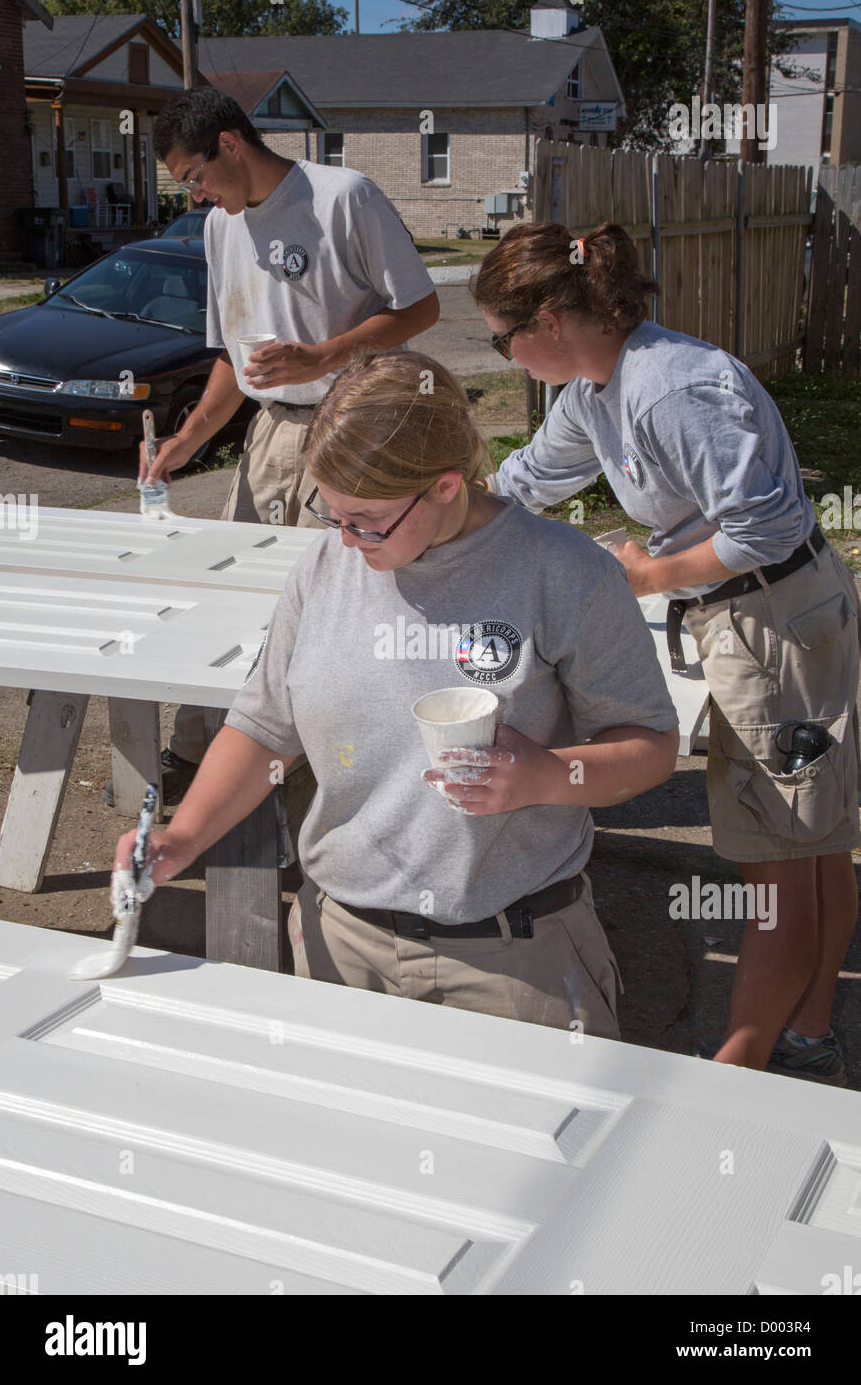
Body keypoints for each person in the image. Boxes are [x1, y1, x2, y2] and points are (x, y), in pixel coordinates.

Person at [111, 351, 679, 1038]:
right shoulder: (323, 566)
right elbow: (265, 728)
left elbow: (651, 747)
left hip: (513, 956)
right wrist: (183, 837)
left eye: (368, 520)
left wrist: (547, 776)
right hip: (340, 942)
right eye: (332, 513)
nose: (347, 542)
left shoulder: (565, 573)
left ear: (445, 486)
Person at [472, 220, 861, 1083]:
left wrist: (653, 575)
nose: (506, 356)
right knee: (812, 841)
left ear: (548, 320)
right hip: (758, 617)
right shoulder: (594, 388)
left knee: (781, 861)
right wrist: (443, 511)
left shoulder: (671, 390)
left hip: (778, 624)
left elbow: (773, 523)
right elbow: (529, 479)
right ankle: (806, 1026)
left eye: (503, 340)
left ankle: (735, 1070)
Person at [115, 88, 438, 804]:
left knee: (340, 606)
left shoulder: (342, 196)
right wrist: (188, 438)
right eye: (183, 185)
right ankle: (201, 756)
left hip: (356, 432)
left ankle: (326, 768)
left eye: (195, 176)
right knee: (238, 599)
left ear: (231, 143)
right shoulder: (220, 229)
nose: (195, 195)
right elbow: (233, 356)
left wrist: (327, 356)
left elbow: (421, 306)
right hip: (269, 435)